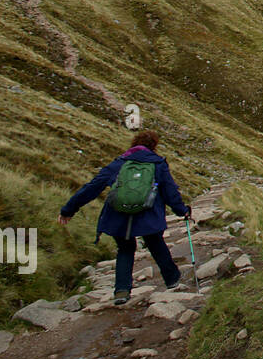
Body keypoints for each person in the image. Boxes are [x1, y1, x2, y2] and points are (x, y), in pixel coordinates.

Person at [58, 129, 191, 305]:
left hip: (118, 216)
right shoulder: (158, 164)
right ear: (154, 146)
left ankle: (122, 290)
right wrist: (183, 211)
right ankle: (173, 280)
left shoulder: (119, 163)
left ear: (134, 144)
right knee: (156, 244)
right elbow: (170, 192)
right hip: (148, 216)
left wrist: (69, 209)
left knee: (125, 249)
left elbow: (93, 186)